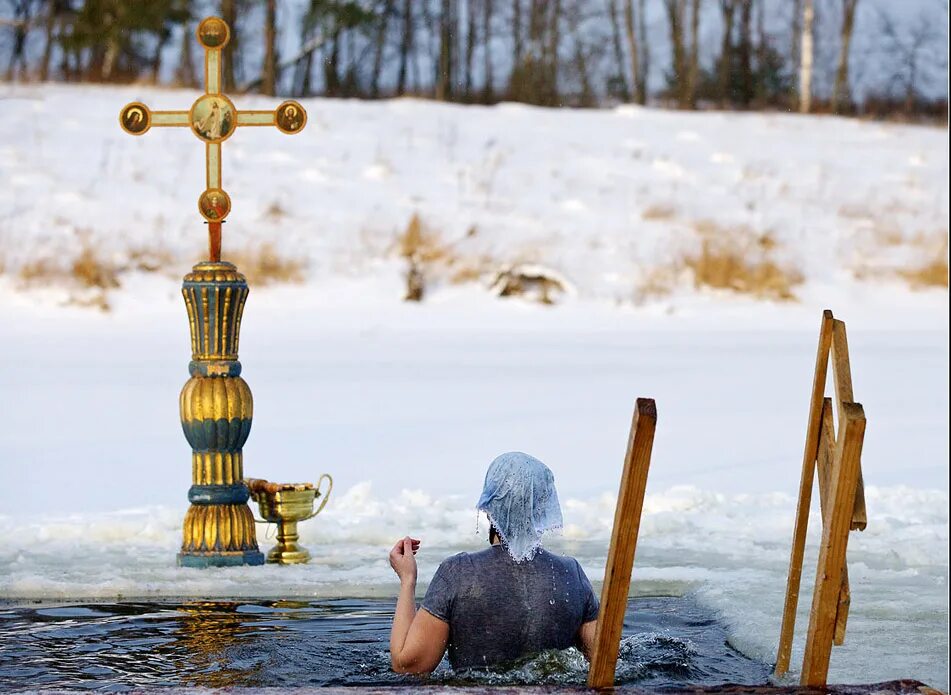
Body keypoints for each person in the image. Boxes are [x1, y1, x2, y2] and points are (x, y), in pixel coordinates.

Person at [388, 452, 599, 674]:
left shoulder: (458, 573)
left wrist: (407, 580)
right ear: (544, 510)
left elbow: (407, 666)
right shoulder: (571, 575)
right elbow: (606, 661)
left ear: (489, 507)